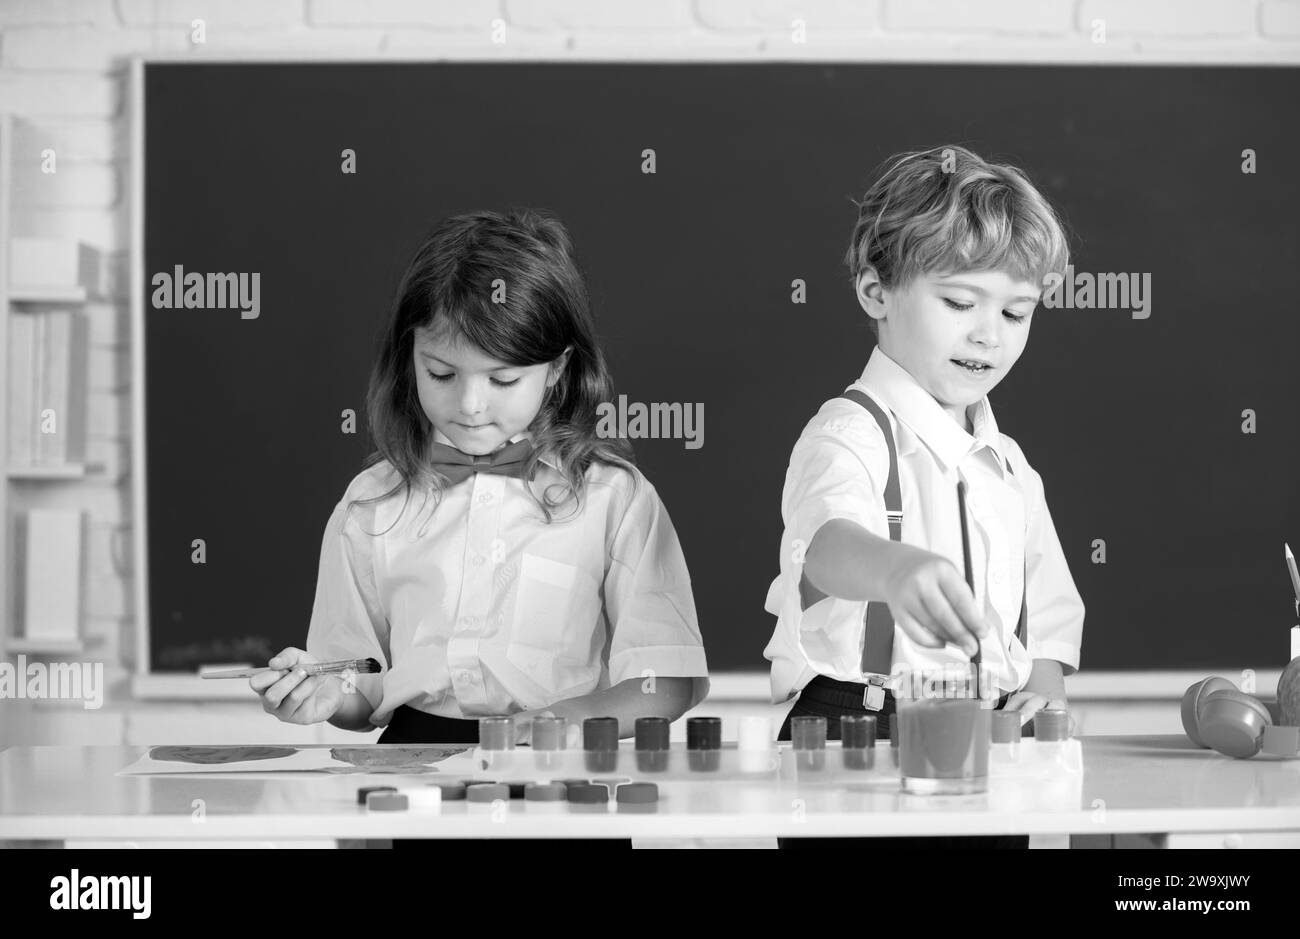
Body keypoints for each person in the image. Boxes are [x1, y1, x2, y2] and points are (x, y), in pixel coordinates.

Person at [252, 209, 710, 846]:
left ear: (555, 370)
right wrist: (327, 697)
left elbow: (669, 681)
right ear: (407, 357)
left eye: (502, 379)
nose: (469, 403)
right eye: (441, 373)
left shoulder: (613, 498)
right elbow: (360, 684)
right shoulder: (369, 505)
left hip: (559, 765)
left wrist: (546, 723)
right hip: (407, 767)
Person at [764, 145, 1085, 849]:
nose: (987, 333)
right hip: (859, 728)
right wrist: (897, 568)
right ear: (876, 292)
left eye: (1017, 312)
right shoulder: (850, 431)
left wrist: (1047, 682)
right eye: (959, 301)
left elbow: (1049, 611)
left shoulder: (1008, 466)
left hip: (986, 737)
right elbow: (824, 546)